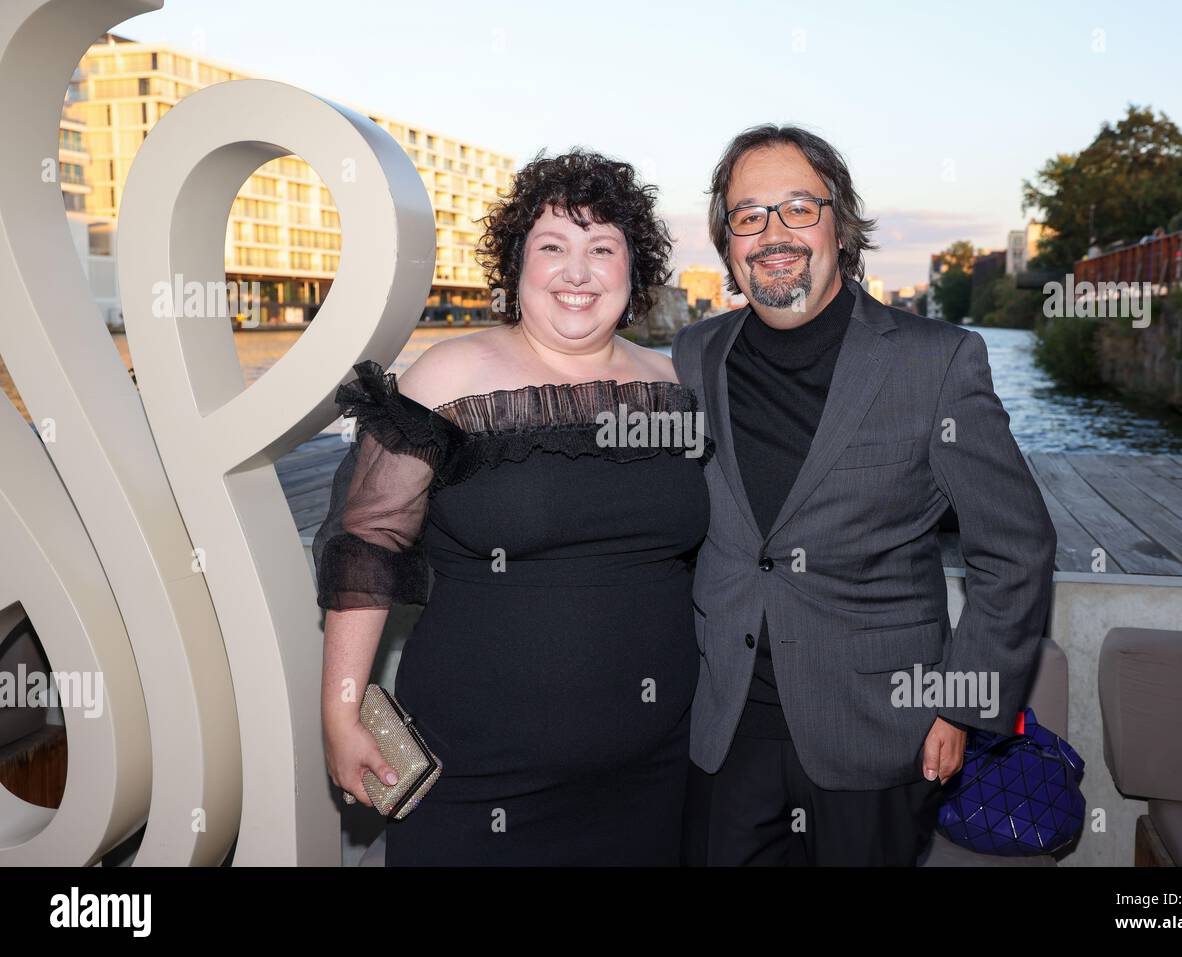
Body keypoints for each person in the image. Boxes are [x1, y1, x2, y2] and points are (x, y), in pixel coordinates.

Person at [314, 149, 712, 865]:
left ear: (635, 268)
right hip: (476, 776)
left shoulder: (679, 385)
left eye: (602, 247)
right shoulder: (449, 379)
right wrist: (341, 711)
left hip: (650, 772)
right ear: (517, 264)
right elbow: (367, 547)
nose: (577, 271)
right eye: (552, 246)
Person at [673, 124, 1057, 866]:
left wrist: (960, 704)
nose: (773, 232)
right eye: (748, 214)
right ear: (726, 243)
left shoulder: (936, 361)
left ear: (840, 226)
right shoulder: (693, 357)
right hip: (724, 727)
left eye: (798, 208)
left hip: (883, 730)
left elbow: (1016, 546)